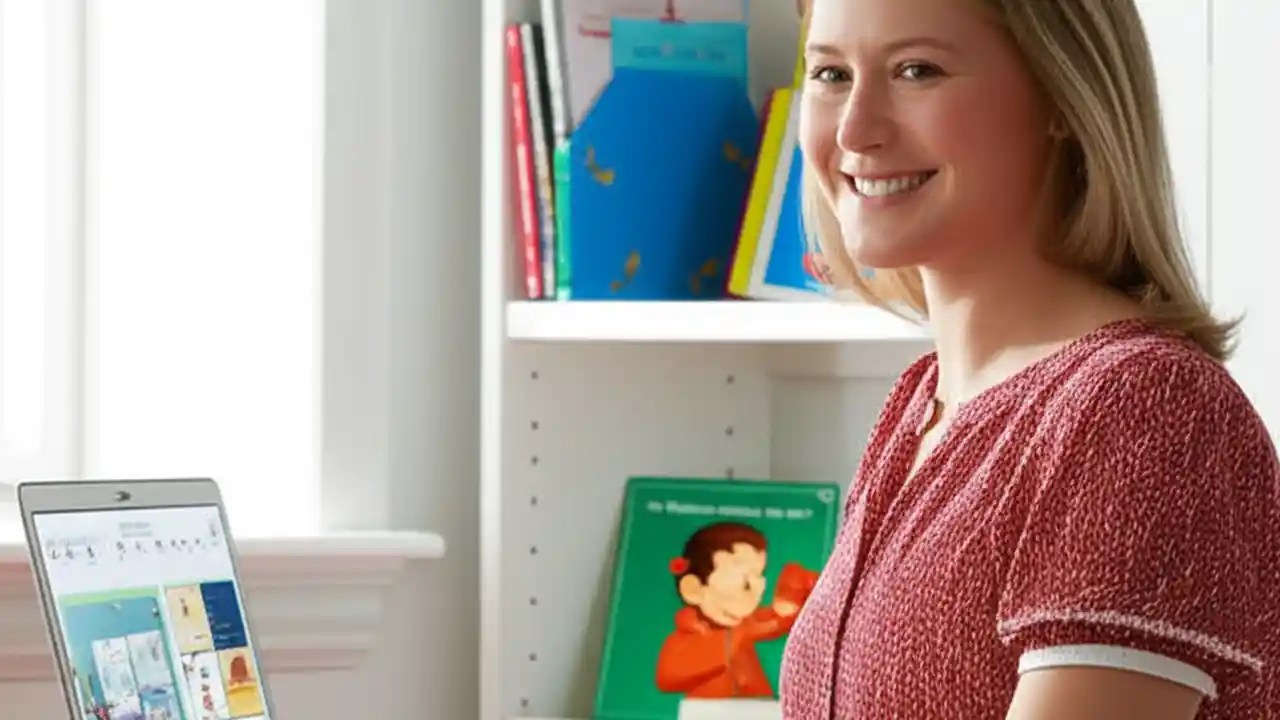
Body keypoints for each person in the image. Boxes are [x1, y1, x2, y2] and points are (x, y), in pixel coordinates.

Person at [778, 0, 1280, 718]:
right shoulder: (923, 403)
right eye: (829, 73)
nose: (854, 130)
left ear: (1063, 96)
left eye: (917, 70)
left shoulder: (1141, 409)